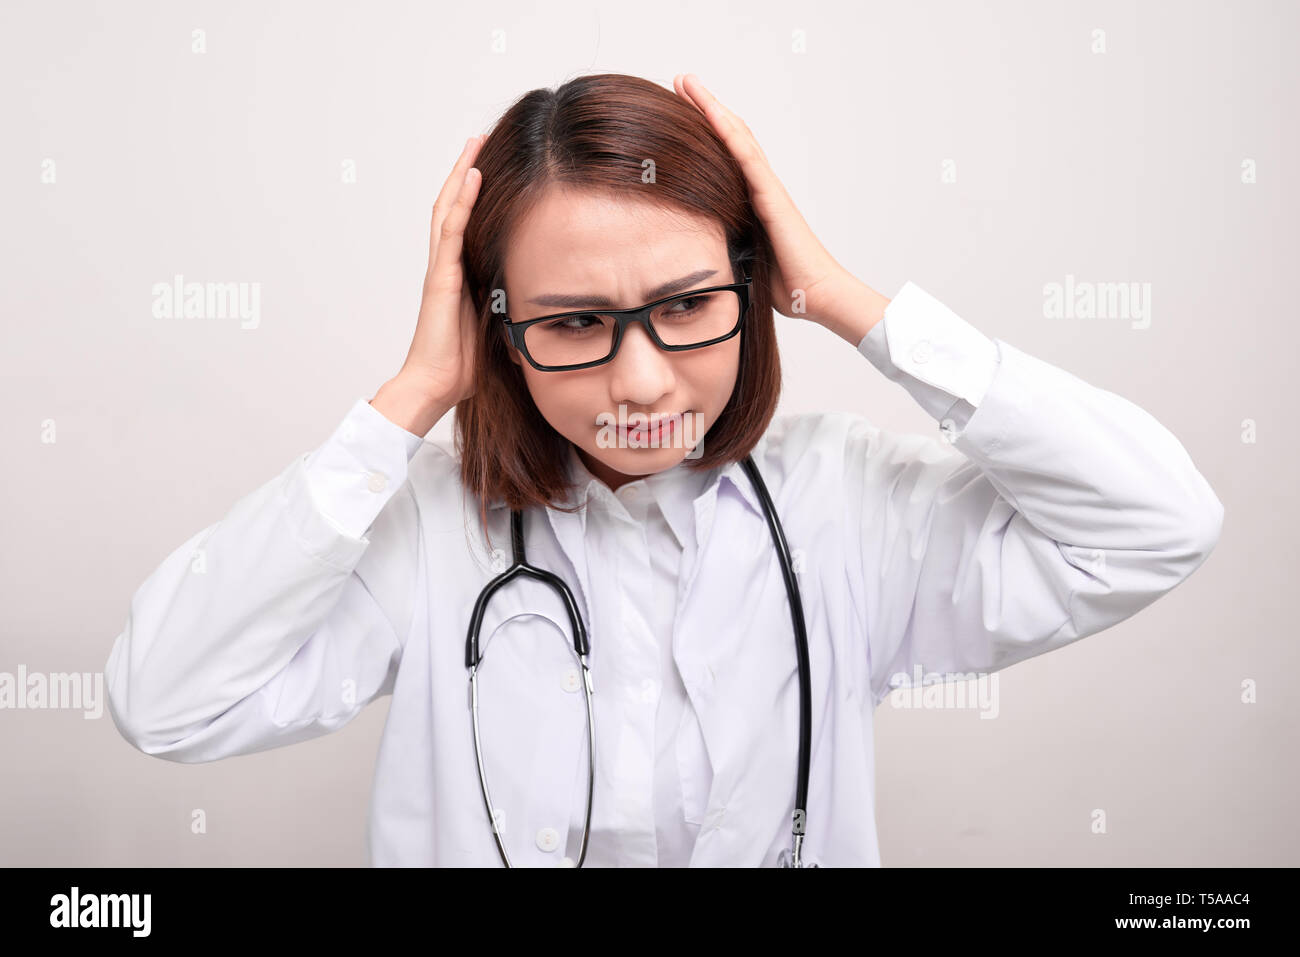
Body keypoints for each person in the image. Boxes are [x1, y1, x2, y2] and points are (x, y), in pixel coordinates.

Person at [104, 73, 1224, 867]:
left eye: (687, 305)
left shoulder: (849, 509)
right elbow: (166, 702)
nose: (640, 383)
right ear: (495, 328)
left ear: (751, 284)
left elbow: (1155, 524)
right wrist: (405, 402)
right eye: (575, 320)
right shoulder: (425, 535)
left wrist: (849, 304)